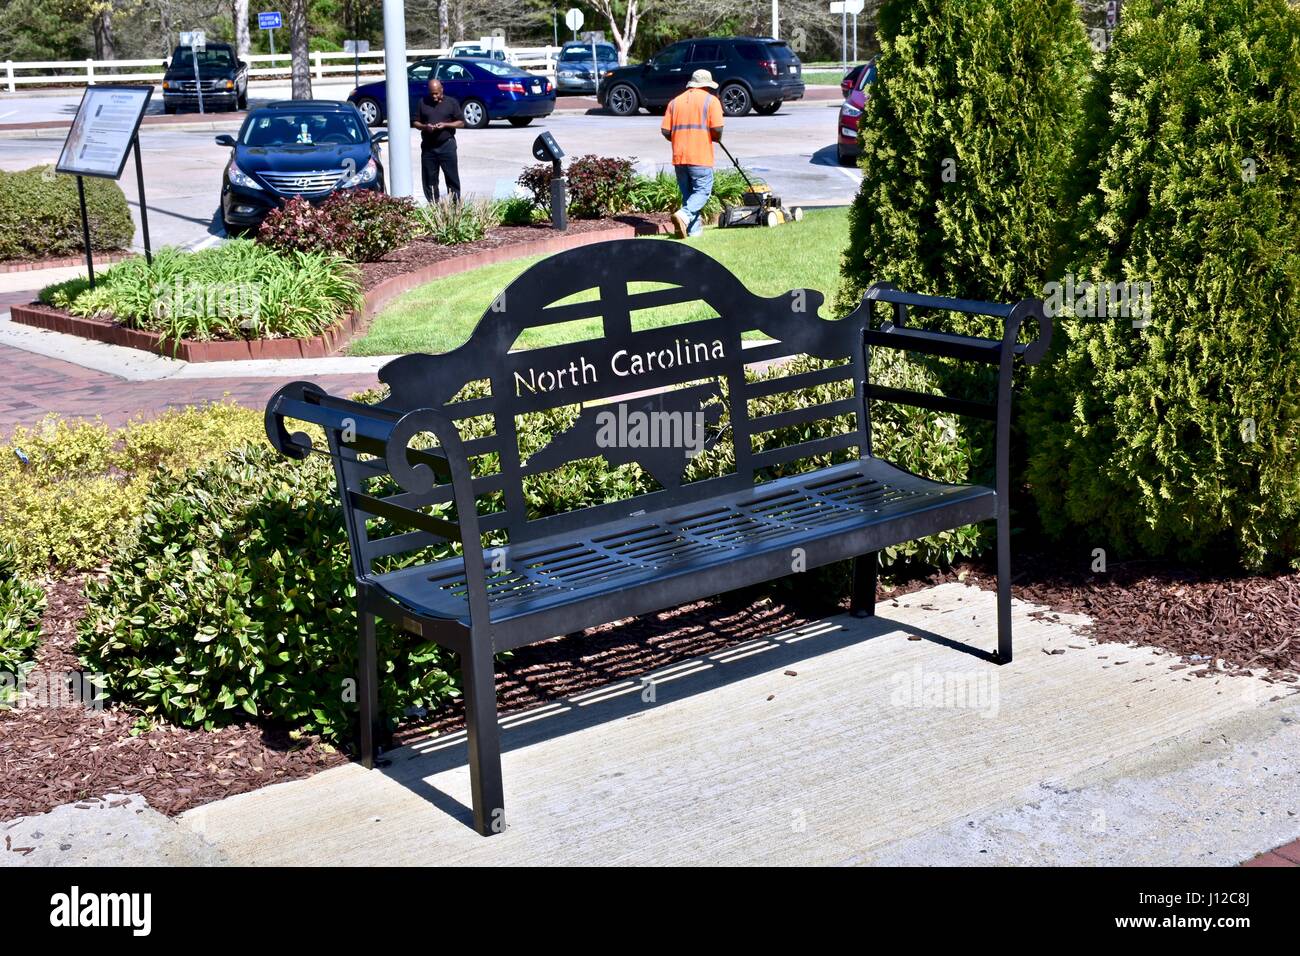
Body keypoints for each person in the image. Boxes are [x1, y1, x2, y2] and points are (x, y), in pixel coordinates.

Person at [660, 69, 725, 238]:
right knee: (702, 192)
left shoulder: (675, 102)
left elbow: (666, 131)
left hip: (679, 156)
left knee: (688, 194)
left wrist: (679, 139)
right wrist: (715, 137)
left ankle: (693, 231)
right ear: (706, 85)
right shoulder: (711, 101)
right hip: (700, 155)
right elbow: (717, 129)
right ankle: (684, 215)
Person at [414, 78, 464, 202]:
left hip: (447, 145)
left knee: (451, 177)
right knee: (429, 179)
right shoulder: (422, 102)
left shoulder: (451, 103)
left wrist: (445, 125)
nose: (435, 96)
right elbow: (415, 122)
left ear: (442, 90)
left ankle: (454, 206)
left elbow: (461, 122)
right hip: (428, 147)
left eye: (437, 93)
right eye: (432, 94)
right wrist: (425, 127)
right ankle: (433, 206)